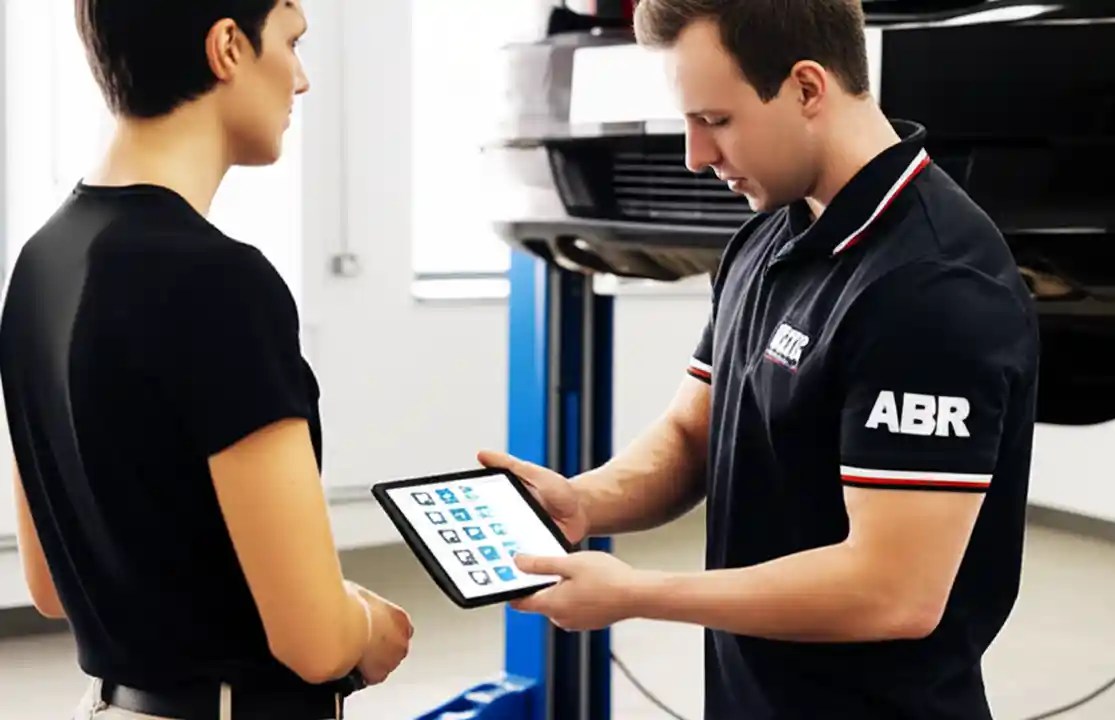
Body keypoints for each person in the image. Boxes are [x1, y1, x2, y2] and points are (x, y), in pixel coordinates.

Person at [481, 1, 1040, 718]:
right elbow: (693, 434)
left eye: (715, 120)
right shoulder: (767, 238)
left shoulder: (930, 284)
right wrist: (585, 500)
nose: (695, 155)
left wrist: (638, 593)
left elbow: (893, 592)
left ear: (808, 88)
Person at [0, 2, 413, 718]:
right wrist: (370, 625)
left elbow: (48, 583)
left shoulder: (40, 262)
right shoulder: (221, 282)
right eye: (291, 42)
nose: (303, 80)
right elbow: (315, 642)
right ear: (227, 47)